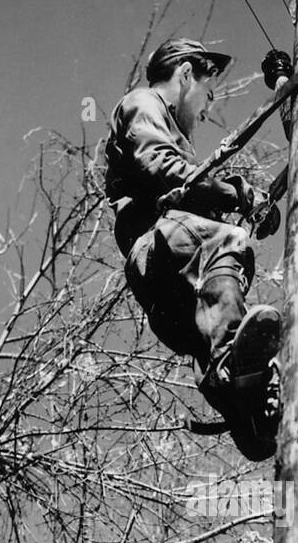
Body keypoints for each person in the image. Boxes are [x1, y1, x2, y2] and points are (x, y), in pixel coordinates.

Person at [104, 37, 272, 414]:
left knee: (207, 333)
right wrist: (236, 195)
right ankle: (232, 361)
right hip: (160, 246)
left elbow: (181, 188)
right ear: (184, 74)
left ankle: (249, 412)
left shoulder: (164, 125)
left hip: (165, 282)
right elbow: (163, 170)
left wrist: (237, 199)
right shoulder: (143, 103)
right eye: (208, 94)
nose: (207, 110)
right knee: (230, 242)